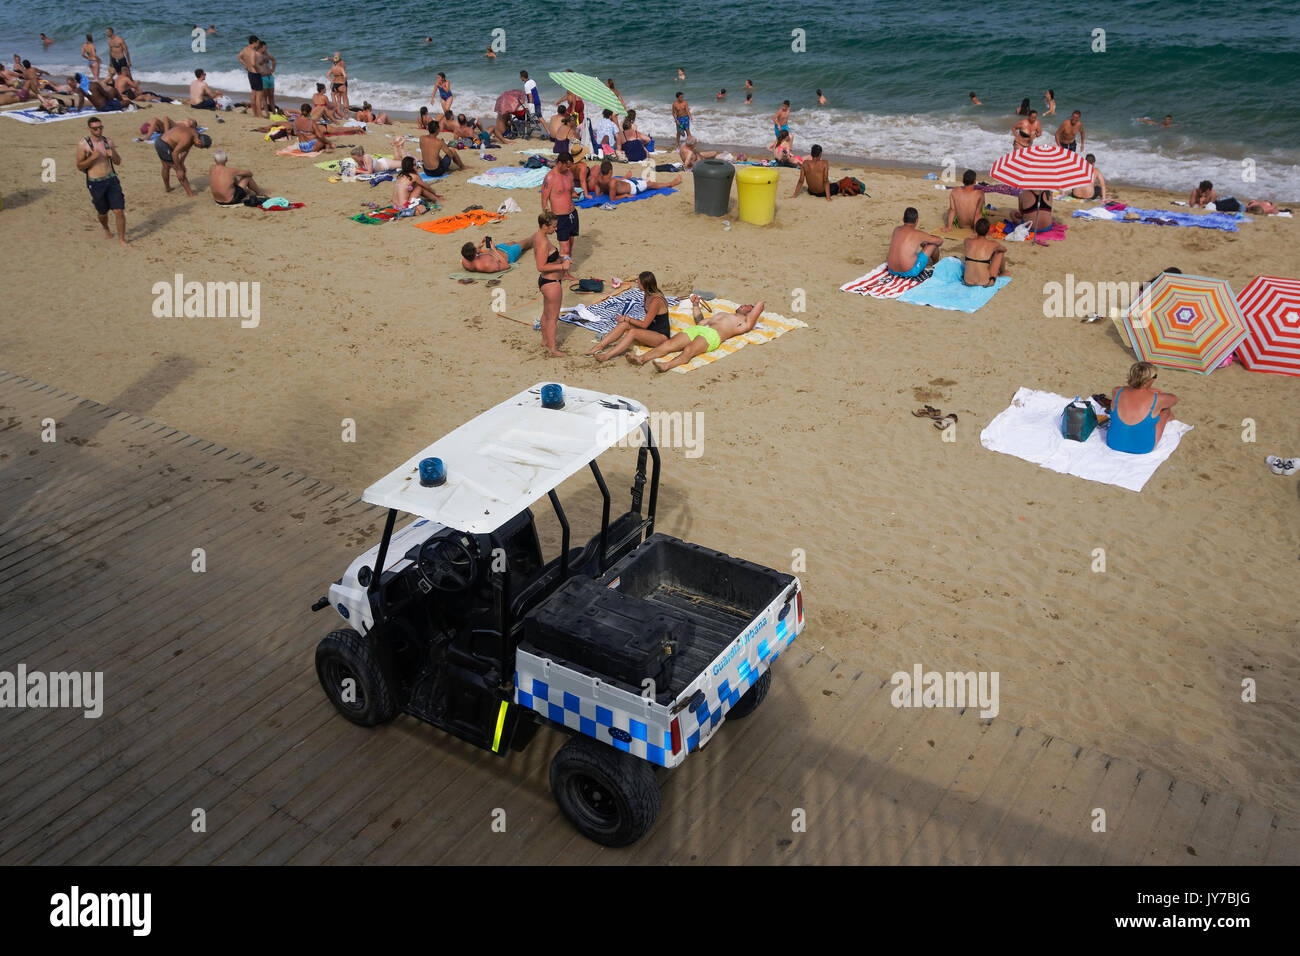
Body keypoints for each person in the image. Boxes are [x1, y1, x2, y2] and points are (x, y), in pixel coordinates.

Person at [629, 294, 764, 372]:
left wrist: (753, 310)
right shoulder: (723, 314)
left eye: (747, 306)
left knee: (689, 350)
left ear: (751, 312)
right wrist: (695, 305)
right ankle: (641, 359)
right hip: (699, 329)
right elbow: (700, 322)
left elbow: (760, 304)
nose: (742, 305)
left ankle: (666, 365)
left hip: (712, 335)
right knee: (669, 344)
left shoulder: (744, 323)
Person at [586, 272, 674, 360]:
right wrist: (626, 320)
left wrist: (627, 318)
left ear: (644, 285)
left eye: (638, 282)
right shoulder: (647, 295)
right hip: (650, 330)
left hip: (661, 337)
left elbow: (644, 325)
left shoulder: (656, 300)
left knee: (633, 332)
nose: (636, 283)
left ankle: (608, 355)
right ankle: (598, 347)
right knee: (623, 324)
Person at [76, 116, 127, 246]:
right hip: (95, 182)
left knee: (119, 210)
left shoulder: (108, 142)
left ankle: (122, 239)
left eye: (100, 128)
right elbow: (80, 166)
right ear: (89, 129)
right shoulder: (83, 144)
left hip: (111, 179)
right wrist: (92, 158)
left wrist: (113, 154)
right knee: (102, 212)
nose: (98, 130)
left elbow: (118, 161)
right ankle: (105, 227)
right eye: (95, 128)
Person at [1107, 362, 1177, 455]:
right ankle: (1166, 419)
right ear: (1149, 380)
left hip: (1113, 443)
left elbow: (1131, 390)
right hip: (1143, 448)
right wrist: (1153, 391)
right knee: (1165, 410)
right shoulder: (1158, 398)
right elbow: (1174, 399)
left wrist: (1147, 389)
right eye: (1155, 376)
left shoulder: (1117, 391)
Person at [532, 212, 569, 356]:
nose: (556, 229)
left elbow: (547, 257)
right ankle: (552, 350)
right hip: (551, 283)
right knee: (553, 318)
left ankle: (545, 341)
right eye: (553, 227)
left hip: (546, 282)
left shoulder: (538, 236)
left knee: (546, 313)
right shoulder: (542, 242)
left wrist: (560, 257)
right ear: (544, 226)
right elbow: (541, 266)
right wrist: (562, 267)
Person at [542, 152, 579, 275]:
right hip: (560, 216)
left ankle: (565, 269)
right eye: (567, 166)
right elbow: (544, 200)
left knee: (571, 244)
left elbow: (571, 191)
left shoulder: (569, 174)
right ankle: (564, 273)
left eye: (570, 167)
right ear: (559, 163)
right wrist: (548, 218)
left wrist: (576, 194)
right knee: (565, 247)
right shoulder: (550, 177)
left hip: (572, 214)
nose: (569, 169)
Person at [155, 118, 210, 197]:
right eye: (200, 147)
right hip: (163, 145)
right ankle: (190, 194)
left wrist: (182, 162)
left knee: (166, 166)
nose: (199, 148)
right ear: (199, 142)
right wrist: (179, 169)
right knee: (180, 172)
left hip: (163, 141)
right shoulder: (187, 139)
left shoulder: (195, 133)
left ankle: (167, 188)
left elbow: (186, 150)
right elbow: (175, 154)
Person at [887, 208, 942, 278]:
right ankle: (936, 264)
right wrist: (926, 241)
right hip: (909, 272)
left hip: (891, 270)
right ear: (917, 221)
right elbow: (939, 241)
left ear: (903, 219)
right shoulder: (918, 233)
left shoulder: (896, 229)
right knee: (933, 244)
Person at [588, 158, 682, 198]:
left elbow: (597, 194)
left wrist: (605, 191)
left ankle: (630, 179)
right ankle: (670, 184)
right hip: (633, 188)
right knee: (651, 184)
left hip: (626, 183)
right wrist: (624, 195)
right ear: (610, 172)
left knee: (639, 181)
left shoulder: (598, 180)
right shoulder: (612, 182)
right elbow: (612, 199)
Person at [961, 219, 1009, 286]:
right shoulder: (993, 244)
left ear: (975, 229)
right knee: (1000, 252)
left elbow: (974, 243)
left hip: (967, 282)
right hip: (984, 282)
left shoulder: (967, 241)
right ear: (988, 231)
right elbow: (1004, 249)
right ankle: (1002, 272)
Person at [460, 233, 535, 272]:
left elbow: (472, 255)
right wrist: (494, 250)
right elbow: (507, 266)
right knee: (527, 242)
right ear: (475, 255)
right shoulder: (487, 265)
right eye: (475, 250)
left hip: (498, 248)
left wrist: (479, 246)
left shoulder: (465, 261)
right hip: (509, 254)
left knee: (513, 242)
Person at [237, 36, 263, 117]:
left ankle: (255, 113)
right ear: (254, 42)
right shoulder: (252, 52)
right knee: (259, 95)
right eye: (258, 42)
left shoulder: (245, 49)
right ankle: (259, 114)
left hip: (250, 73)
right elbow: (253, 63)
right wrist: (259, 70)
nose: (258, 44)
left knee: (253, 93)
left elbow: (239, 57)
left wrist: (245, 64)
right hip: (255, 73)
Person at [256, 40, 277, 114]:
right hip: (262, 77)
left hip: (270, 77)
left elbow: (274, 60)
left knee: (271, 96)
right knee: (264, 97)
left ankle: (274, 112)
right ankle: (267, 113)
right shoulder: (256, 55)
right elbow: (251, 65)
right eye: (265, 47)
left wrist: (273, 69)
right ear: (260, 47)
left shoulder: (266, 53)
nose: (266, 49)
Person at [327, 53, 348, 117]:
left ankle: (338, 112)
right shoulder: (341, 67)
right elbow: (345, 76)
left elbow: (327, 75)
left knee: (337, 99)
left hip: (335, 84)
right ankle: (346, 115)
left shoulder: (333, 68)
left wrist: (332, 81)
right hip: (341, 84)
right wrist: (343, 83)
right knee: (344, 99)